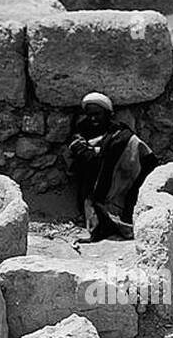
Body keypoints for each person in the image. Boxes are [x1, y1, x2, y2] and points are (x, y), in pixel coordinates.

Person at [65, 91, 156, 242]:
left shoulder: (121, 135)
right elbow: (87, 158)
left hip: (121, 187)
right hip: (93, 189)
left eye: (97, 114)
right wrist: (99, 153)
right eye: (89, 114)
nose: (93, 118)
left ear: (108, 114)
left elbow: (144, 156)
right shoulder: (80, 133)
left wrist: (99, 152)